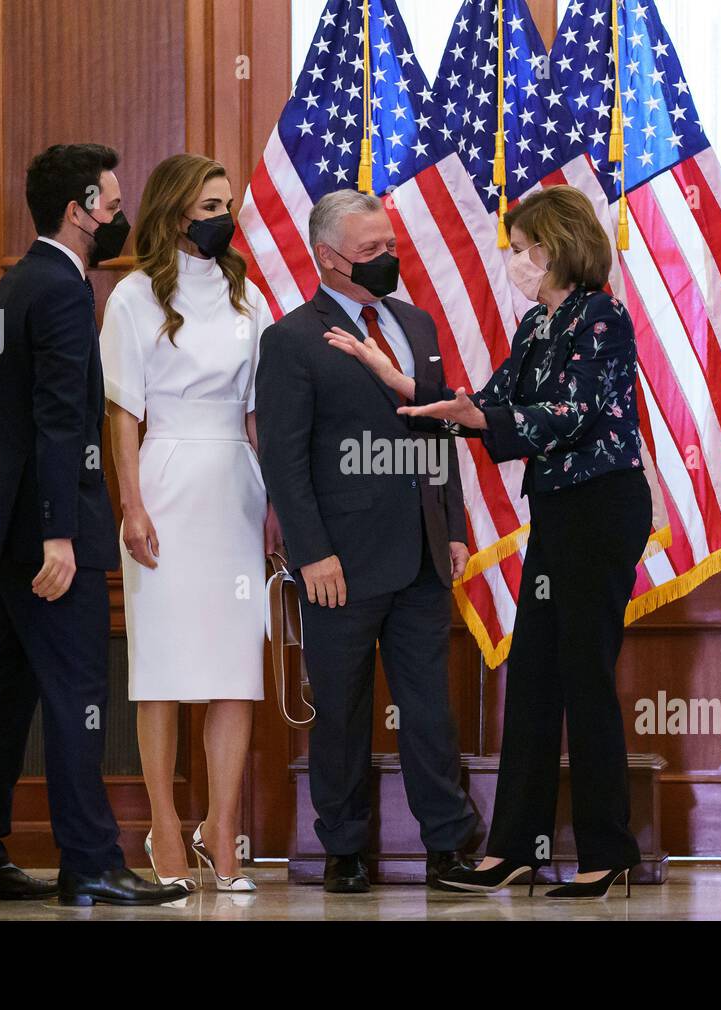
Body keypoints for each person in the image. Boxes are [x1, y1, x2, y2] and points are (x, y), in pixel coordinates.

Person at [326, 185, 650, 899]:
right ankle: (514, 847)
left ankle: (608, 851)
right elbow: (491, 402)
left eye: (523, 247)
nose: (516, 260)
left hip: (602, 508)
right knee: (533, 676)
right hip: (558, 511)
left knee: (584, 675)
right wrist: (399, 381)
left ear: (557, 246)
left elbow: (566, 414)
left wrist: (480, 419)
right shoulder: (539, 323)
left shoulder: (602, 317)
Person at [0, 144, 187, 907]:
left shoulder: (21, 280)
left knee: (5, 692)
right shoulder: (57, 290)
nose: (121, 219)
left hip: (3, 527)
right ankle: (88, 862)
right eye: (114, 207)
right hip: (47, 530)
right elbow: (57, 421)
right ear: (79, 208)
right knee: (78, 688)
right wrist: (59, 535)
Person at [255, 189, 477, 894]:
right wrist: (310, 551)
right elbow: (284, 460)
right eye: (371, 250)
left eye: (391, 246)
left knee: (430, 706)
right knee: (343, 708)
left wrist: (456, 527)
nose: (388, 258)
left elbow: (440, 429)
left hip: (421, 550)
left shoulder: (415, 322)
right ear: (328, 257)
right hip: (339, 563)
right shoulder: (291, 339)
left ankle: (448, 845)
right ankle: (343, 848)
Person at [100, 154, 279, 893]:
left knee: (235, 673)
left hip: (236, 485)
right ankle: (167, 831)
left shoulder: (249, 299)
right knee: (164, 674)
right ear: (177, 212)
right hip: (164, 484)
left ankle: (223, 831)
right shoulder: (134, 297)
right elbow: (122, 411)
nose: (223, 215)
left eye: (228, 203)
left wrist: (273, 505)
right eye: (211, 204)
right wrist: (131, 504)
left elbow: (258, 411)